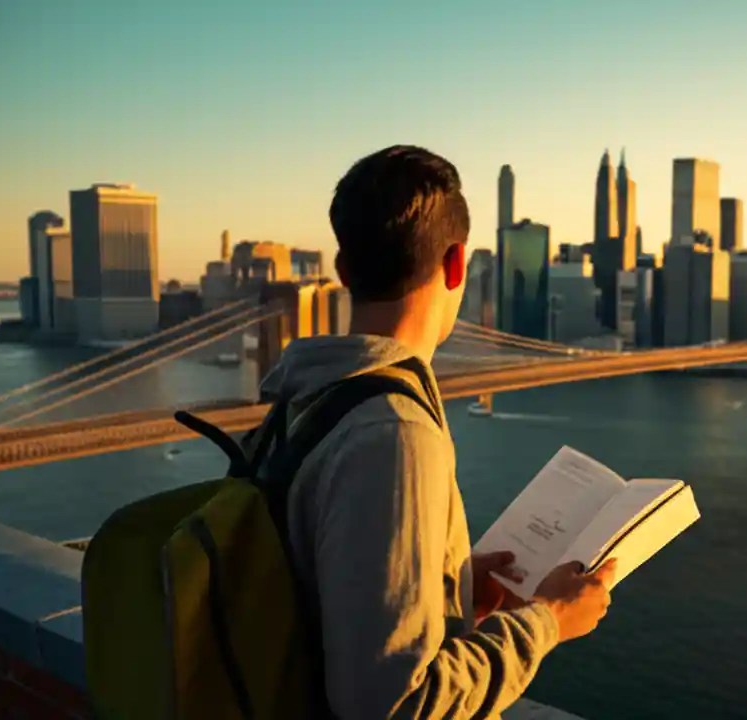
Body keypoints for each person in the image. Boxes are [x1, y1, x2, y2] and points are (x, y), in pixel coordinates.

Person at [258, 145, 616, 719]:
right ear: (457, 266)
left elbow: (316, 589)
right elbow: (394, 705)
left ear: (343, 271)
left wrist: (448, 590)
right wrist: (546, 622)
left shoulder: (299, 399)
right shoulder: (394, 435)